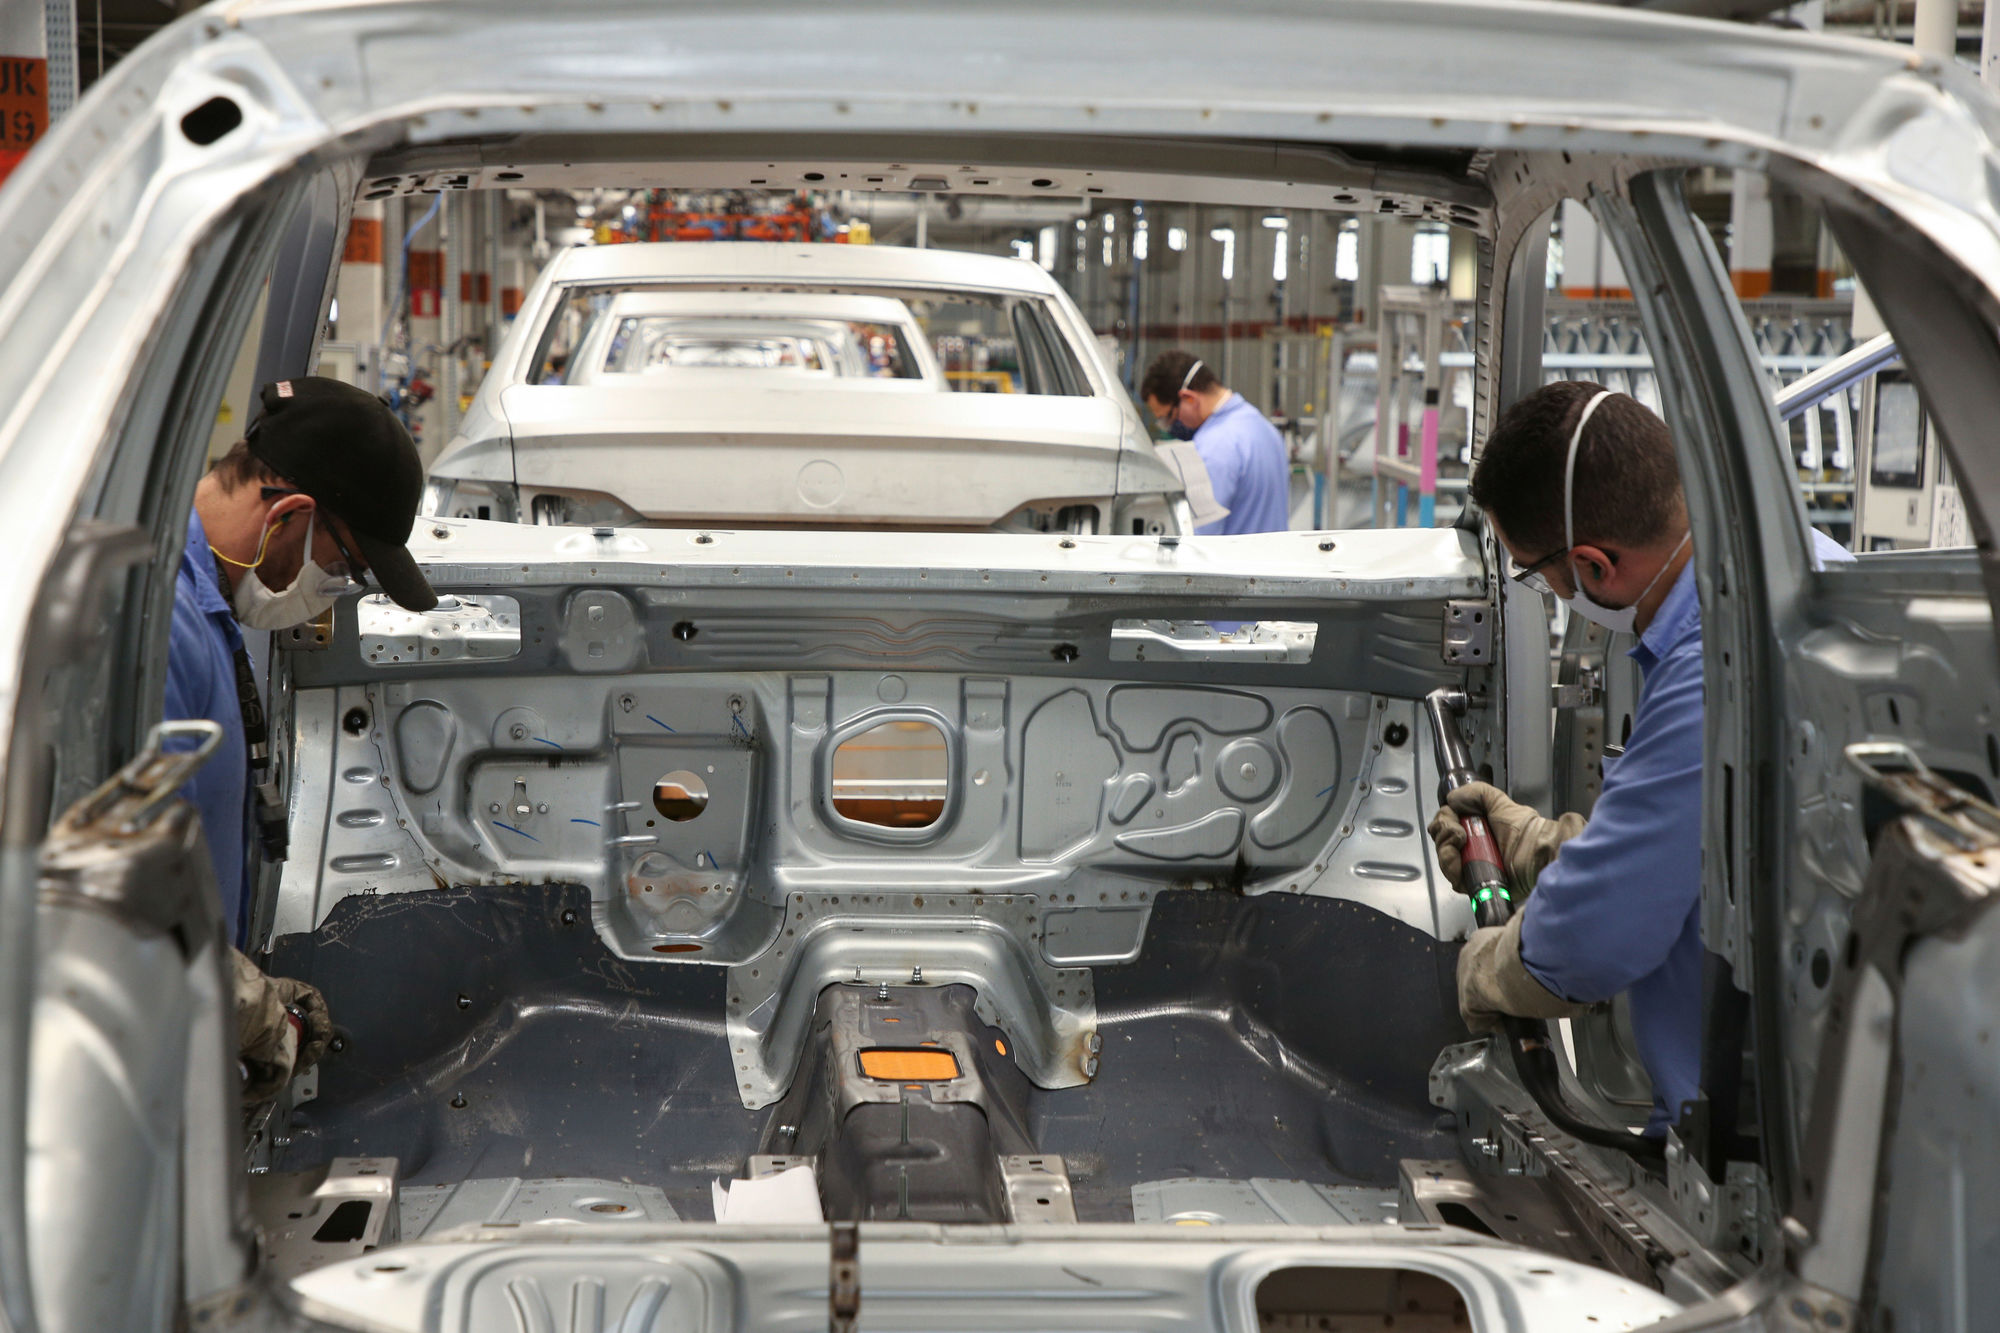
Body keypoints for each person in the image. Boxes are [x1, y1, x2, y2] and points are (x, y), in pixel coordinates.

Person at [1428, 381, 1852, 1136]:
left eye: (1538, 573)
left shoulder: (1713, 662)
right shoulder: (1794, 573)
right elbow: (1709, 846)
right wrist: (1534, 845)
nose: (1555, 594)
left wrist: (1488, 966)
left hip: (1759, 1146)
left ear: (1595, 564)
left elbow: (1592, 941)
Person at [167, 375, 439, 1098]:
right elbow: (133, 899)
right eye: (343, 565)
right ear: (289, 511)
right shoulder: (162, 631)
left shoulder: (206, 609)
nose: (332, 586)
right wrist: (251, 1011)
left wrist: (247, 994)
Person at [1140, 350, 1291, 535]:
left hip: (1235, 562)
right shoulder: (1263, 427)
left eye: (1168, 418)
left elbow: (1200, 538)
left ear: (1189, 398)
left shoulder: (1214, 446)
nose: (1169, 427)